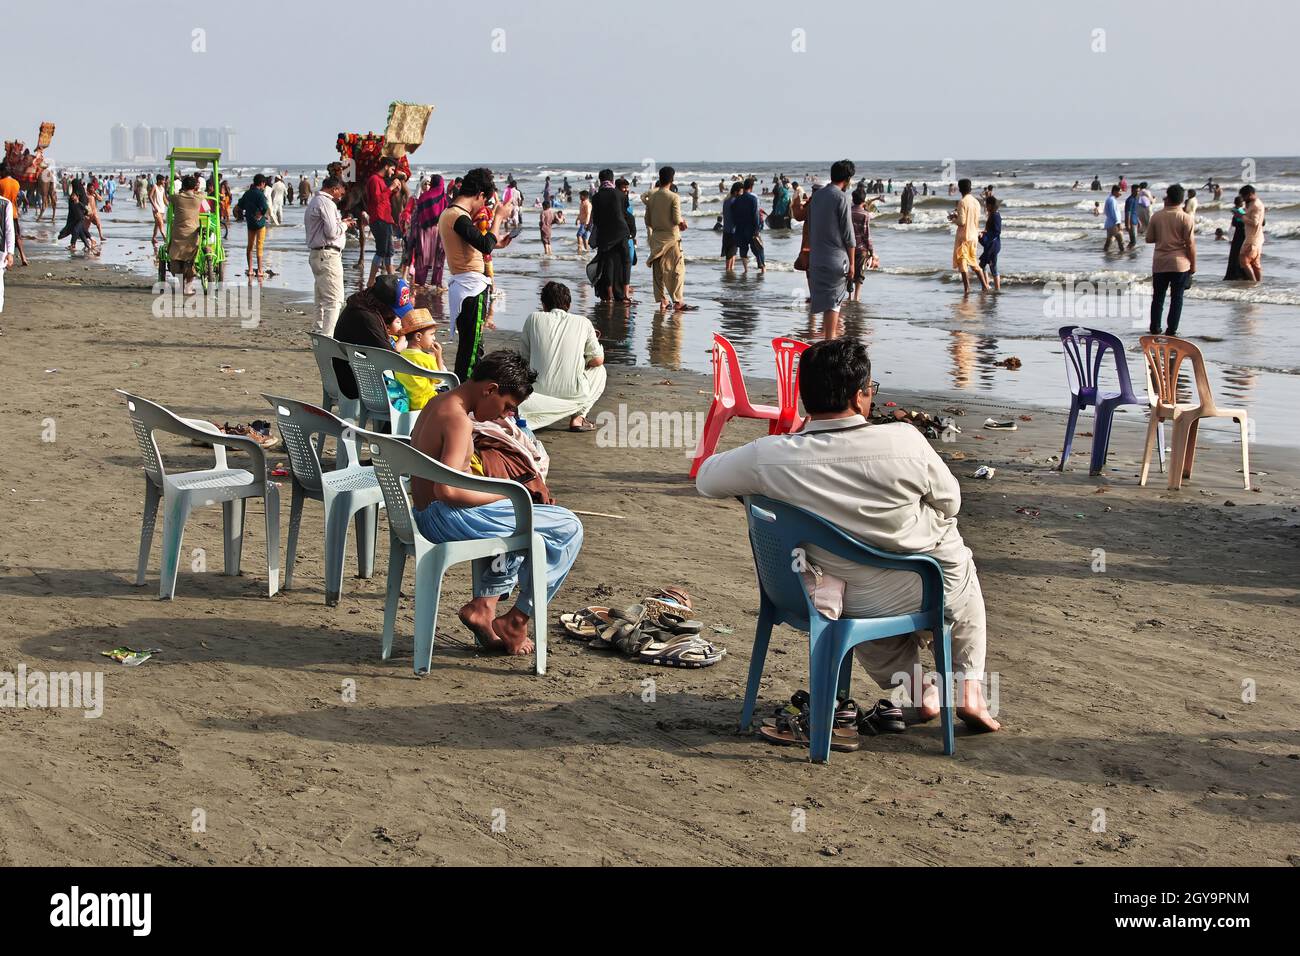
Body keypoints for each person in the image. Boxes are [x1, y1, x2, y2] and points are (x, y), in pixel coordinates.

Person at [696, 337, 1000, 731]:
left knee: (861, 588)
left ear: (804, 399)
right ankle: (968, 689)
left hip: (836, 598)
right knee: (956, 557)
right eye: (871, 389)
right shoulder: (905, 440)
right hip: (922, 588)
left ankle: (918, 690)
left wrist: (766, 486)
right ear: (859, 397)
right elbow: (951, 503)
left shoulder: (768, 456)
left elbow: (706, 479)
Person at [410, 349, 584, 655]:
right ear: (490, 389)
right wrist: (507, 492)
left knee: (526, 522)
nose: (506, 416)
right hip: (446, 517)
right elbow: (447, 490)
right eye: (507, 406)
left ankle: (484, 606)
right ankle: (519, 617)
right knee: (568, 527)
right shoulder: (458, 420)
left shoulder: (437, 403)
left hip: (426, 513)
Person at [438, 167, 514, 381]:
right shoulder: (457, 216)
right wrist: (498, 217)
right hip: (470, 287)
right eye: (484, 201)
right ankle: (464, 390)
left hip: (465, 286)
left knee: (469, 345)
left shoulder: (451, 214)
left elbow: (479, 243)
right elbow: (484, 245)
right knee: (472, 350)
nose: (483, 206)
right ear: (480, 195)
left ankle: (462, 388)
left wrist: (497, 243)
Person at [517, 281, 606, 431]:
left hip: (536, 392)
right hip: (572, 393)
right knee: (600, 371)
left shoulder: (533, 319)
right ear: (568, 305)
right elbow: (598, 360)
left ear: (544, 305)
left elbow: (524, 358)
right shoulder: (583, 322)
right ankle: (578, 418)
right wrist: (581, 359)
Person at [331, 274, 414, 402]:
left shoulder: (361, 303)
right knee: (414, 389)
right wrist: (401, 346)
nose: (393, 315)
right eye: (393, 311)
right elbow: (391, 358)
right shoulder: (367, 318)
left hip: (352, 370)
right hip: (353, 382)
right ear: (383, 305)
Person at [807, 160, 858, 336]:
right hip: (836, 259)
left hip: (816, 259)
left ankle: (827, 341)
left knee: (825, 303)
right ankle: (829, 342)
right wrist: (852, 264)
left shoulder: (817, 197)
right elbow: (849, 235)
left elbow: (811, 228)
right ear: (847, 178)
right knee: (834, 305)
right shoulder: (841, 197)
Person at [304, 175, 353, 335]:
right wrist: (344, 225)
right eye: (341, 193)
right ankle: (327, 337)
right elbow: (331, 232)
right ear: (335, 189)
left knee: (321, 299)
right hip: (327, 255)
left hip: (317, 254)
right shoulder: (327, 203)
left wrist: (341, 223)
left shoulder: (314, 201)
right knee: (334, 300)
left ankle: (319, 333)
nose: (341, 197)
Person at [1145, 184, 1196, 336]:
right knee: (1177, 298)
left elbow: (1149, 239)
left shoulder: (1157, 216)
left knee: (1158, 298)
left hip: (1160, 262)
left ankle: (1155, 328)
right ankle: (1171, 330)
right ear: (1181, 200)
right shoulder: (1186, 218)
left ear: (1168, 197)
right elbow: (1190, 245)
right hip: (1180, 264)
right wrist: (1193, 266)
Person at [643, 165, 694, 311]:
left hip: (656, 238)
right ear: (672, 179)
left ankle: (663, 300)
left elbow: (648, 220)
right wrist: (683, 223)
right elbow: (676, 218)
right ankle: (678, 301)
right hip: (671, 238)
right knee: (677, 269)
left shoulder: (652, 197)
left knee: (658, 271)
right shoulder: (674, 197)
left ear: (660, 178)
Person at [590, 169, 631, 303]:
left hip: (605, 235)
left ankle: (609, 296)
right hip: (621, 232)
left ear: (600, 180)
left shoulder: (596, 197)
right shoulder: (619, 194)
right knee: (626, 261)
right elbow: (625, 213)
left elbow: (596, 219)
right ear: (612, 180)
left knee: (608, 264)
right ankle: (626, 295)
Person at [393, 308, 446, 410]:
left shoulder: (402, 355)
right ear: (418, 336)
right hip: (426, 402)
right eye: (432, 334)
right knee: (450, 390)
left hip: (408, 402)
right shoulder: (426, 358)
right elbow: (439, 379)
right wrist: (438, 355)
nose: (434, 338)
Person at [408, 174, 449, 291]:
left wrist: (413, 235)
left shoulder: (424, 197)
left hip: (424, 231)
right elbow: (447, 216)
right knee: (438, 257)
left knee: (423, 257)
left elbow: (416, 216)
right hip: (439, 231)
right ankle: (437, 284)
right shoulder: (444, 198)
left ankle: (419, 283)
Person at [167, 175, 206, 293]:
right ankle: (188, 287)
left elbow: (169, 197)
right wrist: (196, 190)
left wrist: (181, 191)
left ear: (183, 186)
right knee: (190, 260)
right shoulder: (198, 198)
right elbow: (203, 194)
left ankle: (181, 284)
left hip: (178, 234)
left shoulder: (177, 198)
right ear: (194, 187)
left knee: (178, 259)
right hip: (192, 234)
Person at [949, 178, 988, 293]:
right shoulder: (976, 202)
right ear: (970, 188)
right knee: (973, 261)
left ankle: (967, 288)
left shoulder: (962, 202)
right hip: (973, 235)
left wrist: (953, 219)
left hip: (964, 235)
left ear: (960, 189)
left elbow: (962, 222)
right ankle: (985, 285)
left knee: (962, 262)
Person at [365, 156, 400, 288]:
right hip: (379, 218)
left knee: (389, 251)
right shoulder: (374, 179)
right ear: (386, 166)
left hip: (385, 218)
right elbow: (377, 200)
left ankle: (393, 280)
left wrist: (394, 190)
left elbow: (384, 198)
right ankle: (371, 281)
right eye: (392, 169)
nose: (392, 172)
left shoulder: (380, 180)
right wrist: (391, 188)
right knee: (381, 250)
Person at [236, 175, 271, 279]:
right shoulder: (260, 194)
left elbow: (240, 205)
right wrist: (261, 214)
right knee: (259, 246)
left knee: (250, 246)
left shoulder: (247, 193)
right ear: (262, 183)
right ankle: (260, 270)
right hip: (260, 224)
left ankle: (250, 269)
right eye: (264, 184)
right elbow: (265, 207)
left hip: (250, 223)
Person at [731, 177, 765, 274]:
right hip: (751, 229)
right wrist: (757, 229)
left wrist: (736, 226)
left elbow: (734, 215)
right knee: (758, 249)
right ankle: (762, 268)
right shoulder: (753, 199)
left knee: (743, 250)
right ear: (751, 187)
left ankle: (746, 270)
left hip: (740, 229)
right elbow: (755, 215)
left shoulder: (736, 200)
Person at [849, 186, 877, 301]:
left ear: (853, 199)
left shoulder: (847, 212)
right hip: (861, 248)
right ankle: (856, 296)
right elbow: (866, 235)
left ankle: (849, 296)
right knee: (859, 272)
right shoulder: (865, 214)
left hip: (847, 247)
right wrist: (871, 251)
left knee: (849, 270)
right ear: (863, 200)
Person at [0, 166, 28, 267]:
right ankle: (23, 256)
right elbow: (18, 197)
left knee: (3, 235)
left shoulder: (1, 182)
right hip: (14, 212)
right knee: (16, 235)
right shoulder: (16, 183)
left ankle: (4, 256)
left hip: (2, 212)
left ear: (3, 172)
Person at [1239, 185, 1265, 281]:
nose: (1243, 199)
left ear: (1250, 194)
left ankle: (1253, 282)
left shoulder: (1255, 206)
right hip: (1257, 238)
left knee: (1244, 260)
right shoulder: (1255, 203)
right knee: (1255, 264)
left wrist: (1241, 216)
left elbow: (1255, 223)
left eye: (1244, 196)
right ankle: (1259, 283)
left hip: (1252, 239)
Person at [977, 195, 1002, 291]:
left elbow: (997, 231)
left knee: (985, 267)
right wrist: (984, 233)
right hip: (991, 246)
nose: (985, 207)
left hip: (993, 246)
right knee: (986, 266)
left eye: (986, 205)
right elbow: (991, 230)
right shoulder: (993, 214)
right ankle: (987, 286)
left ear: (991, 205)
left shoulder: (995, 215)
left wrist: (985, 236)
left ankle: (993, 288)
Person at [1224, 194, 1249, 280]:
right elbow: (1240, 222)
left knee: (1235, 254)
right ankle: (1239, 274)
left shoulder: (1236, 211)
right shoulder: (1239, 211)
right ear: (1241, 203)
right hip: (1241, 235)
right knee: (1239, 254)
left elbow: (1234, 224)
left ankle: (1235, 273)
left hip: (1237, 235)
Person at [721, 181, 742, 270]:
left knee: (731, 253)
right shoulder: (735, 202)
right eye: (741, 192)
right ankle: (729, 272)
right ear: (736, 192)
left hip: (726, 230)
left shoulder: (726, 201)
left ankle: (730, 271)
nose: (741, 194)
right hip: (733, 231)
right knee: (731, 253)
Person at [0, 191, 13, 313]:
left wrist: (10, 252)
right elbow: (9, 229)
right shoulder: (5, 203)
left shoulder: (5, 203)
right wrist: (10, 252)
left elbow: (9, 229)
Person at [1102, 184, 1125, 252]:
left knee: (1109, 240)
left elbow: (1105, 212)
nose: (1121, 194)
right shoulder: (1112, 200)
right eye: (1119, 192)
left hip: (1110, 223)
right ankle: (1123, 253)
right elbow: (1115, 212)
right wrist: (1118, 223)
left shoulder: (1109, 199)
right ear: (1115, 191)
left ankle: (1105, 252)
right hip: (1114, 224)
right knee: (1121, 240)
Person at [1123, 184, 1140, 248]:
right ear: (1132, 191)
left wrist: (1138, 221)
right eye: (1136, 191)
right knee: (1133, 241)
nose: (1137, 193)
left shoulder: (1136, 199)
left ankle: (1129, 250)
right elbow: (1128, 212)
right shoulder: (1129, 200)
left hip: (1135, 221)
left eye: (1138, 191)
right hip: (1131, 222)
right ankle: (1127, 250)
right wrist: (1128, 224)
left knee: (1134, 240)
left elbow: (1135, 211)